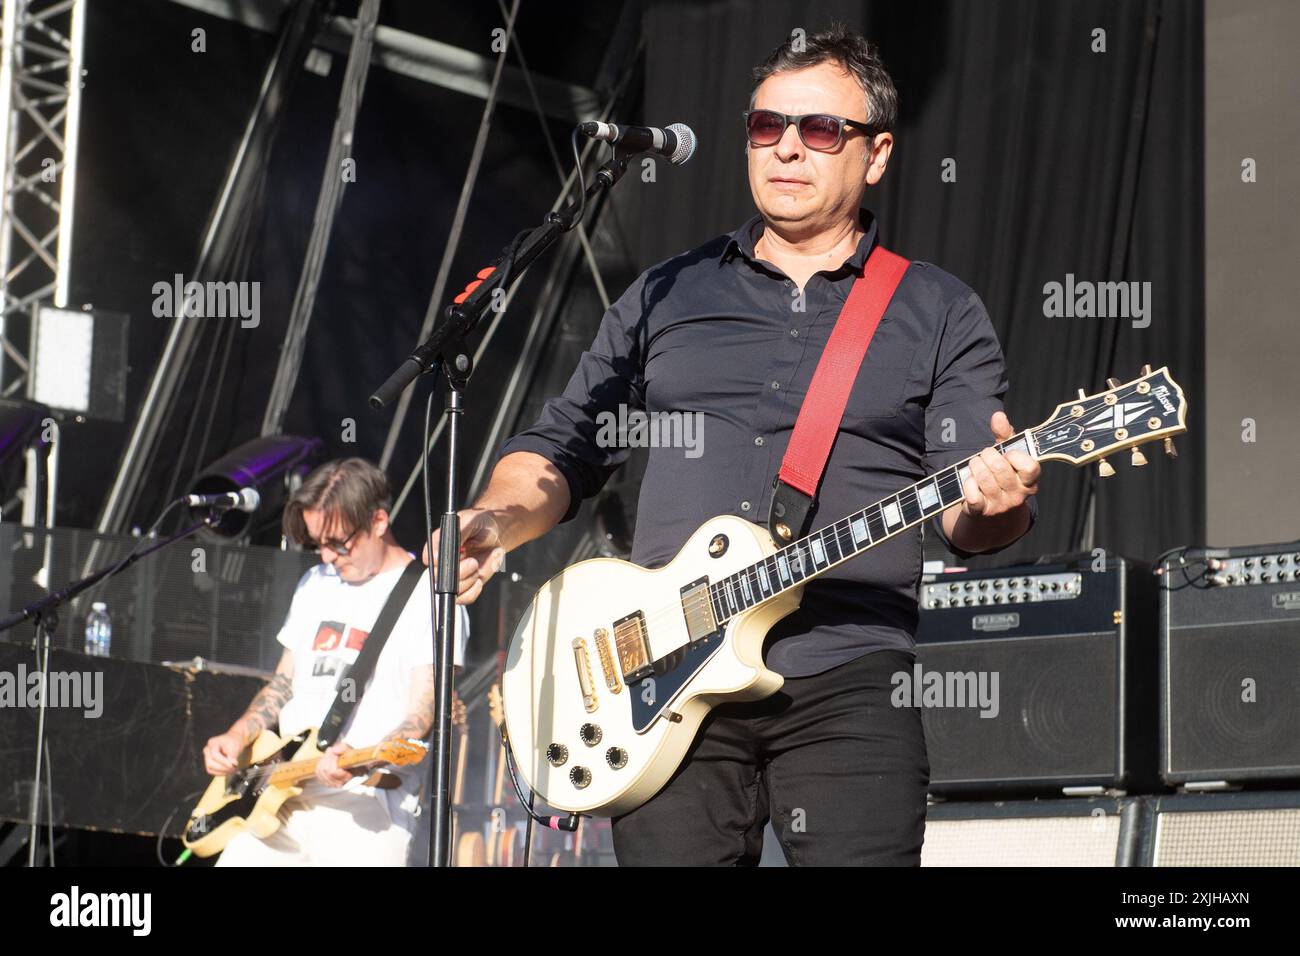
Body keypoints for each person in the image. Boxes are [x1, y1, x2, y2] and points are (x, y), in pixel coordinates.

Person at [427, 25, 1039, 865]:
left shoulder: (937, 310)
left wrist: (998, 505)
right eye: (766, 126)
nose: (787, 147)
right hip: (663, 675)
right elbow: (565, 446)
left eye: (820, 130)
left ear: (879, 153)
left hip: (850, 676)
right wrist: (495, 520)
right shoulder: (669, 292)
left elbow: (969, 515)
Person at [203, 457, 468, 866]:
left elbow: (422, 716)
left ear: (378, 522)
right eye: (316, 544)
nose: (326, 556)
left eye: (337, 542)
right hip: (278, 797)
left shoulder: (430, 598)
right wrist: (237, 736)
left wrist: (360, 756)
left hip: (366, 811)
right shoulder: (315, 584)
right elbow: (282, 684)